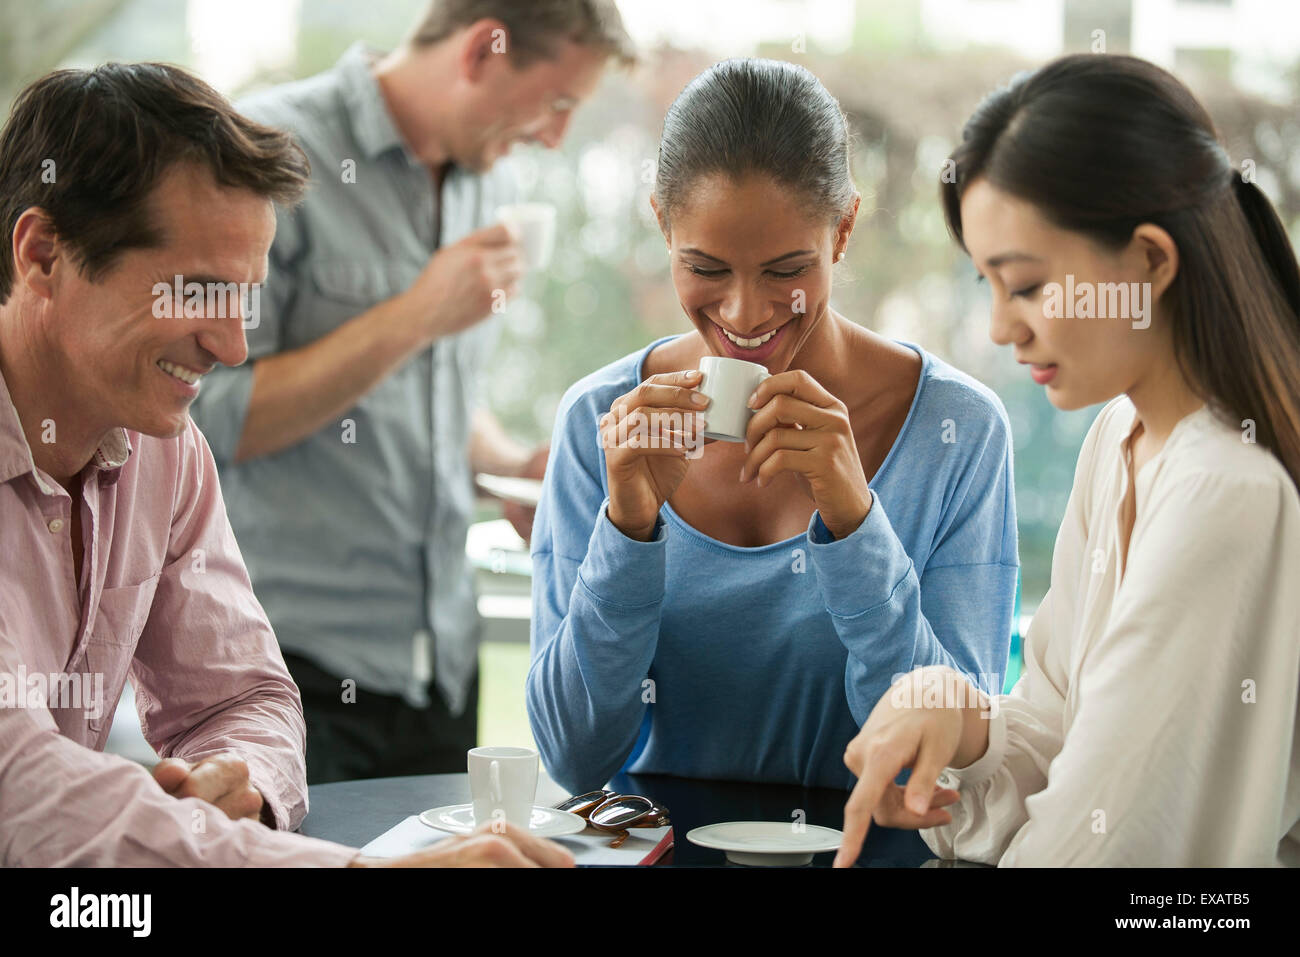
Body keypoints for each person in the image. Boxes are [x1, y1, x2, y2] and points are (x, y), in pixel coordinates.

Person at [0, 62, 571, 868]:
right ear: (43, 254)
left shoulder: (167, 454)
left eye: (247, 299)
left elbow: (244, 694)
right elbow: (18, 788)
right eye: (197, 292)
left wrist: (236, 783)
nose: (231, 346)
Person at [835, 53, 1300, 867]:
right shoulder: (1120, 437)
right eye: (985, 282)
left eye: (1026, 285)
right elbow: (1060, 732)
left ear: (1151, 261)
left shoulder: (1224, 489)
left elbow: (1111, 841)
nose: (999, 327)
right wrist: (964, 719)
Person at [527, 58, 1019, 796]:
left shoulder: (958, 431)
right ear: (661, 222)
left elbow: (948, 762)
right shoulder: (598, 424)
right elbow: (573, 757)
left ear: (844, 229)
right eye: (707, 268)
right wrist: (627, 528)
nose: (746, 313)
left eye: (785, 269)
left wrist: (856, 525)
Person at [188, 1, 636, 783]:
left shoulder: (478, 182)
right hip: (290, 677)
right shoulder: (263, 154)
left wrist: (512, 468)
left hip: (441, 673)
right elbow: (205, 414)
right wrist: (415, 314)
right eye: (557, 103)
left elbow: (428, 402)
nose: (556, 135)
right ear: (479, 54)